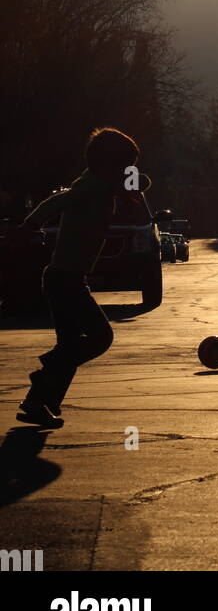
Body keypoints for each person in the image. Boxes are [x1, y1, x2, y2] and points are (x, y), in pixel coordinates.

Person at [17, 127, 141, 427]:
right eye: (127, 167)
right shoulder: (93, 188)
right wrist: (31, 224)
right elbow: (58, 201)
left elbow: (142, 183)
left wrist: (130, 181)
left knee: (70, 343)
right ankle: (45, 377)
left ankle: (39, 402)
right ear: (110, 166)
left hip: (67, 278)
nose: (131, 173)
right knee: (100, 337)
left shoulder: (100, 183)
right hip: (66, 280)